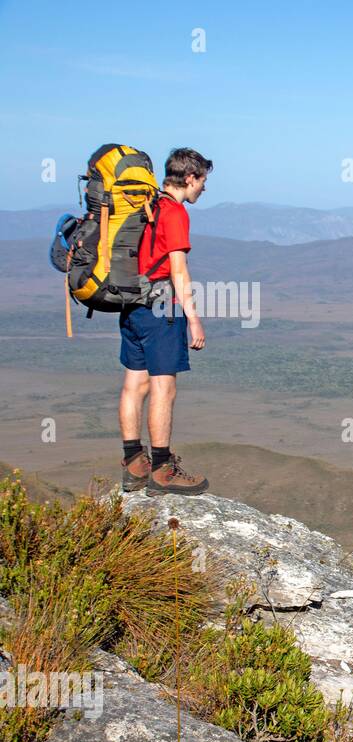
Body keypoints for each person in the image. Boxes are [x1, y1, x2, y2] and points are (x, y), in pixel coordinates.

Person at [118, 147, 212, 496]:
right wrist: (194, 319)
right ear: (190, 178)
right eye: (202, 181)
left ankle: (133, 464)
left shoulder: (146, 205)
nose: (203, 188)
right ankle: (161, 469)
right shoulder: (173, 213)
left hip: (131, 306)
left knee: (134, 384)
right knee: (163, 387)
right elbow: (178, 270)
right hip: (160, 311)